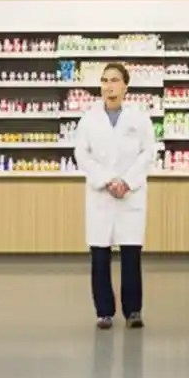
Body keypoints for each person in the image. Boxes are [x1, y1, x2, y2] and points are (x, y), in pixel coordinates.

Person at [73, 63, 158, 330]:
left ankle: (133, 310)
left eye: (114, 80)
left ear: (125, 86)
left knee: (131, 254)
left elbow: (148, 153)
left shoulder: (139, 118)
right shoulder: (89, 119)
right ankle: (104, 312)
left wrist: (127, 181)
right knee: (100, 255)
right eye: (104, 80)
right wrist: (108, 180)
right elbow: (82, 155)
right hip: (102, 195)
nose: (109, 85)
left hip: (129, 195)